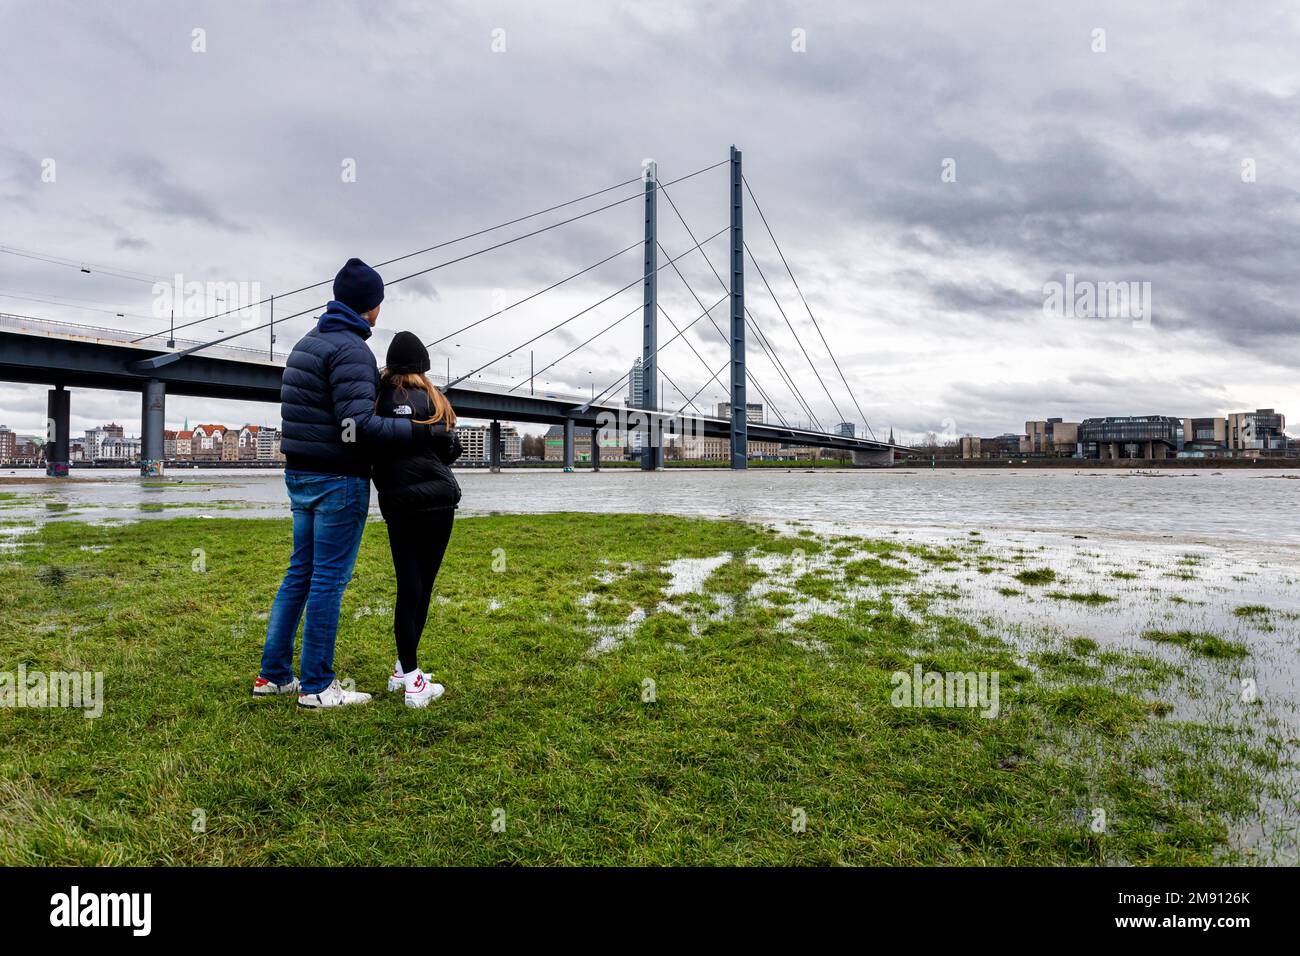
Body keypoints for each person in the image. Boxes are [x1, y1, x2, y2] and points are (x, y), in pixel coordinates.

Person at [253, 258, 451, 709]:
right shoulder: (352, 351)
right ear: (372, 307)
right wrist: (422, 431)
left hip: (299, 474)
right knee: (327, 580)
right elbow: (356, 426)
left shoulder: (306, 343)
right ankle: (318, 686)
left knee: (299, 574)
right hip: (337, 478)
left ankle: (274, 675)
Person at [372, 331, 463, 707]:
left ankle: (404, 671)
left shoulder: (374, 401)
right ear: (424, 366)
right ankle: (411, 680)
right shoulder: (434, 401)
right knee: (422, 588)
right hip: (437, 505)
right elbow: (452, 449)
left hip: (397, 504)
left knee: (407, 586)